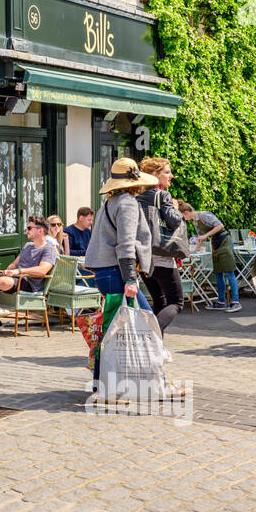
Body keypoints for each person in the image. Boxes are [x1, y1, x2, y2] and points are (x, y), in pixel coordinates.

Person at [82, 159, 158, 386]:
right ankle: (148, 382)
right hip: (117, 273)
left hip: (105, 274)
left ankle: (101, 383)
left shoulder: (110, 202)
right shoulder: (127, 203)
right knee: (148, 326)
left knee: (113, 332)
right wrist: (131, 278)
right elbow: (125, 244)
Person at [137, 156, 186, 334]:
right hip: (162, 256)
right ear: (155, 174)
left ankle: (155, 347)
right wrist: (175, 208)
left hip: (143, 259)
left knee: (159, 300)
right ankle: (150, 334)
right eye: (167, 172)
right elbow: (173, 221)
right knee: (177, 302)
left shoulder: (135, 195)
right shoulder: (162, 195)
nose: (171, 175)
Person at [181, 203, 240, 312]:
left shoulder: (204, 215)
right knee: (218, 273)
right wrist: (194, 250)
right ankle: (221, 302)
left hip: (224, 242)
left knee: (229, 271)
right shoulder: (195, 222)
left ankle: (235, 302)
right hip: (215, 244)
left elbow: (220, 226)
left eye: (183, 216)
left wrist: (206, 235)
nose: (184, 218)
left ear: (186, 213)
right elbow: (201, 238)